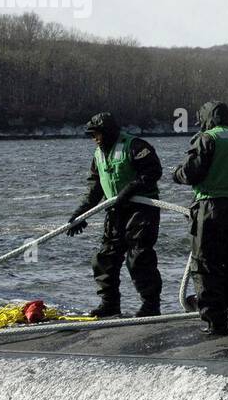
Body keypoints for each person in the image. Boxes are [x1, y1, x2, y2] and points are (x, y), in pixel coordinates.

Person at [66, 113, 163, 318]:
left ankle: (150, 304)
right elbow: (94, 189)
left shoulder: (135, 146)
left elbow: (153, 171)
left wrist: (130, 190)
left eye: (97, 134)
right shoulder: (98, 155)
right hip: (115, 210)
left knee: (139, 256)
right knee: (104, 257)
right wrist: (80, 214)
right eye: (92, 135)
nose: (94, 139)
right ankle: (109, 304)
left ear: (108, 132)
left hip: (141, 209)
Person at [173, 101, 228, 336]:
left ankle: (215, 320)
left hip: (211, 208)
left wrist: (176, 174)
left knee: (205, 264)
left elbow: (191, 172)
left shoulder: (207, 138)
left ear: (207, 119)